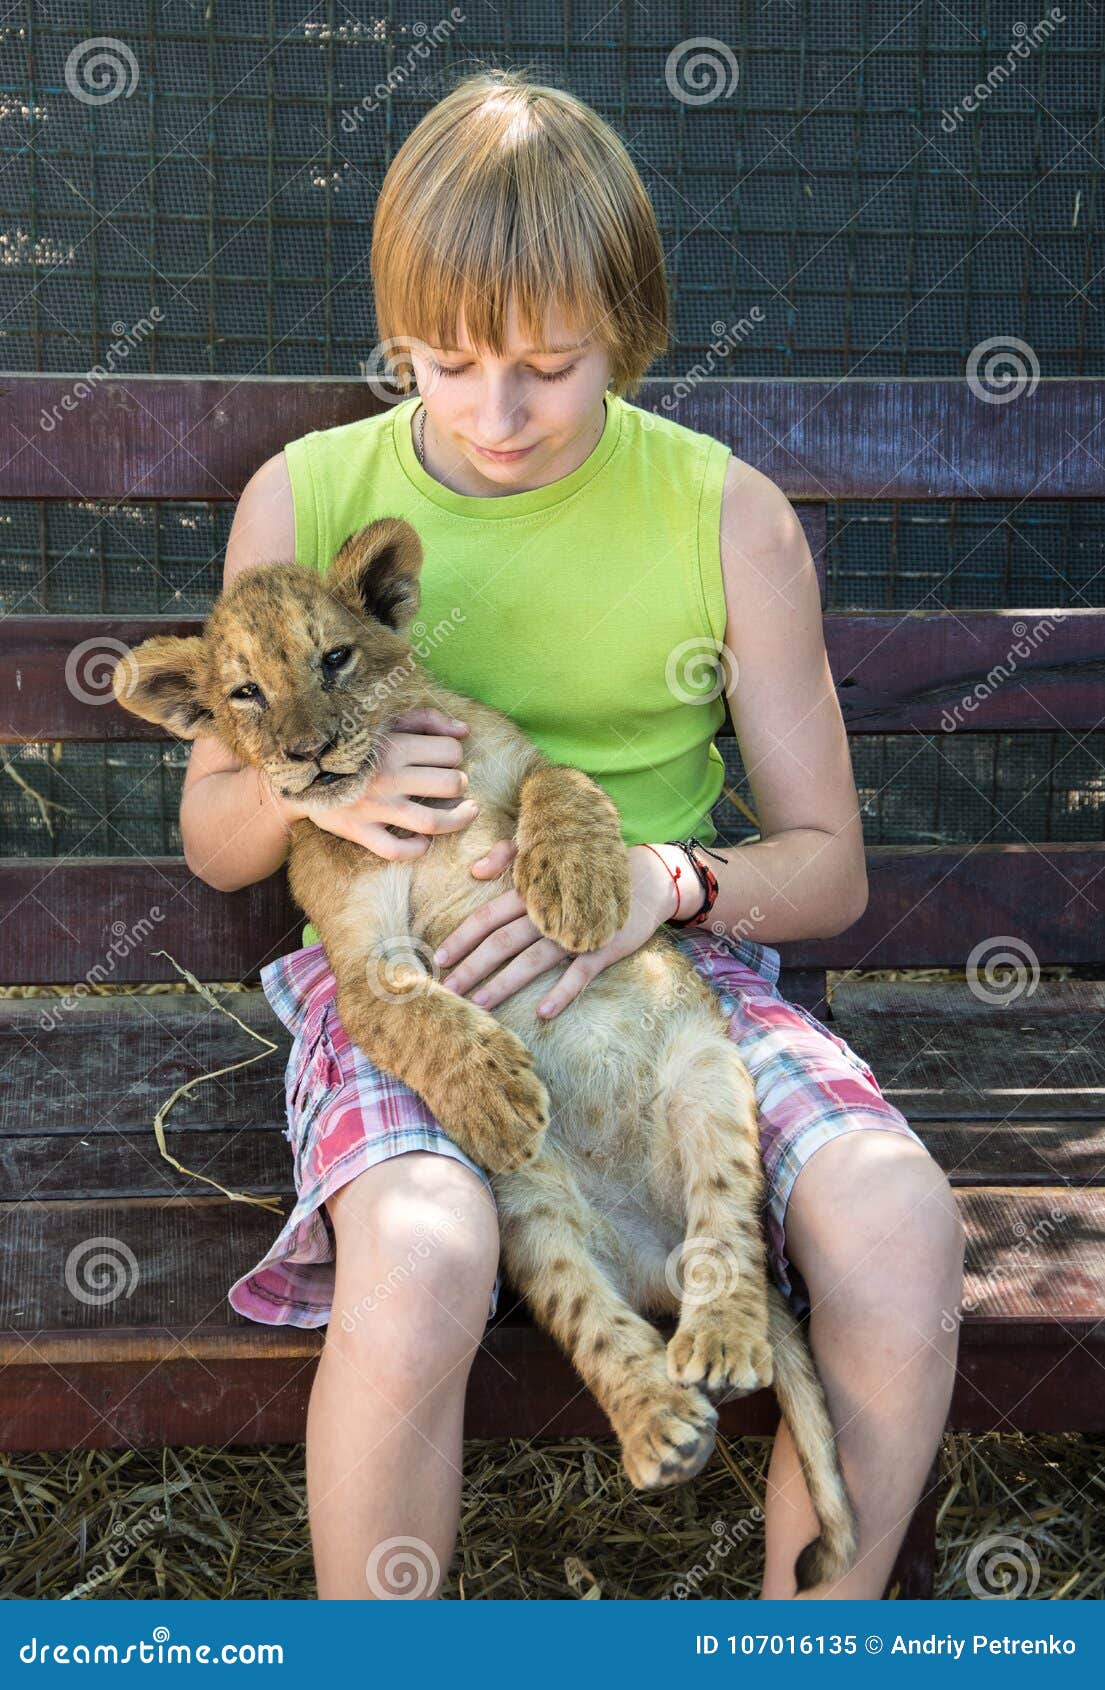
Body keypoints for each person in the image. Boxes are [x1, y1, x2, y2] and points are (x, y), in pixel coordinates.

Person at [181, 69, 965, 1600]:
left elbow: (827, 863)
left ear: (632, 324)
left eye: (548, 362)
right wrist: (312, 786)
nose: (496, 415)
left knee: (895, 1224)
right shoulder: (307, 494)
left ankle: (809, 1642)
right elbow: (215, 839)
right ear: (394, 329)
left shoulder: (720, 515)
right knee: (416, 1251)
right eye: (447, 362)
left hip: (658, 968)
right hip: (401, 979)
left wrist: (666, 884)